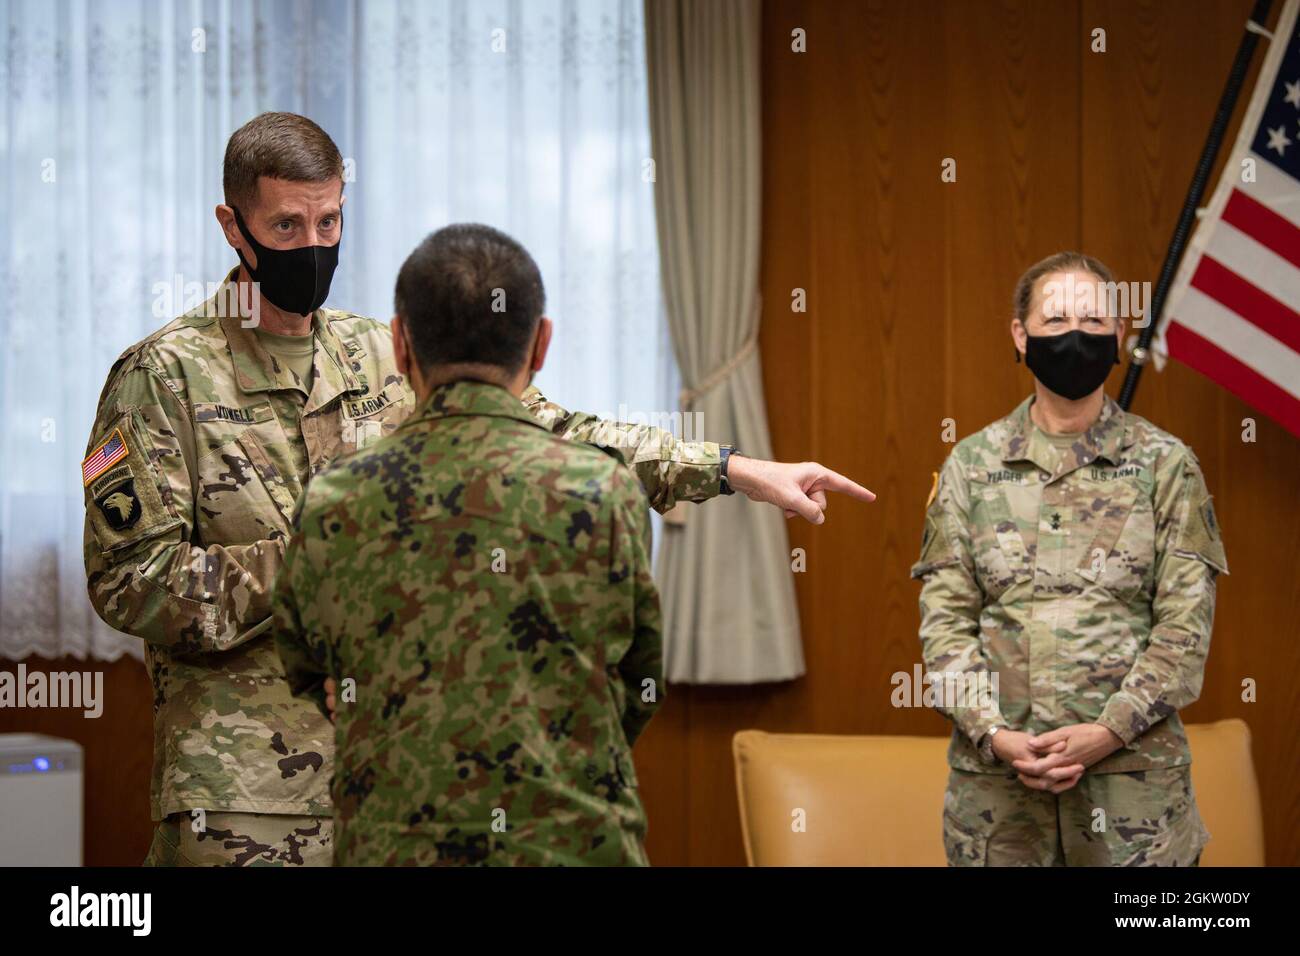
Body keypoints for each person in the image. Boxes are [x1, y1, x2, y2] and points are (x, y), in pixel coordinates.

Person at [81, 111, 874, 866]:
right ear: (234, 226)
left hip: (394, 784)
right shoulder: (164, 376)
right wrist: (323, 556)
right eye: (287, 227)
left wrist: (733, 468)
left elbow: (551, 432)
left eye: (330, 223)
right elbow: (129, 583)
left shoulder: (378, 351)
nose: (313, 244)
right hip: (241, 794)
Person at [272, 224, 658, 865]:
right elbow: (640, 679)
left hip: (391, 848)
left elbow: (307, 667)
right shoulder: (604, 490)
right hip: (570, 843)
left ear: (399, 345)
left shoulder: (335, 500)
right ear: (541, 345)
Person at [911, 251, 1227, 866]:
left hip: (1134, 798)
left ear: (1118, 336)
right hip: (999, 804)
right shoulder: (971, 469)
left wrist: (1106, 732)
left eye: (1093, 320)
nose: (1075, 335)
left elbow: (1184, 630)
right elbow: (945, 622)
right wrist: (996, 734)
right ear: (1020, 336)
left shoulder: (1166, 466)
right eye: (1055, 321)